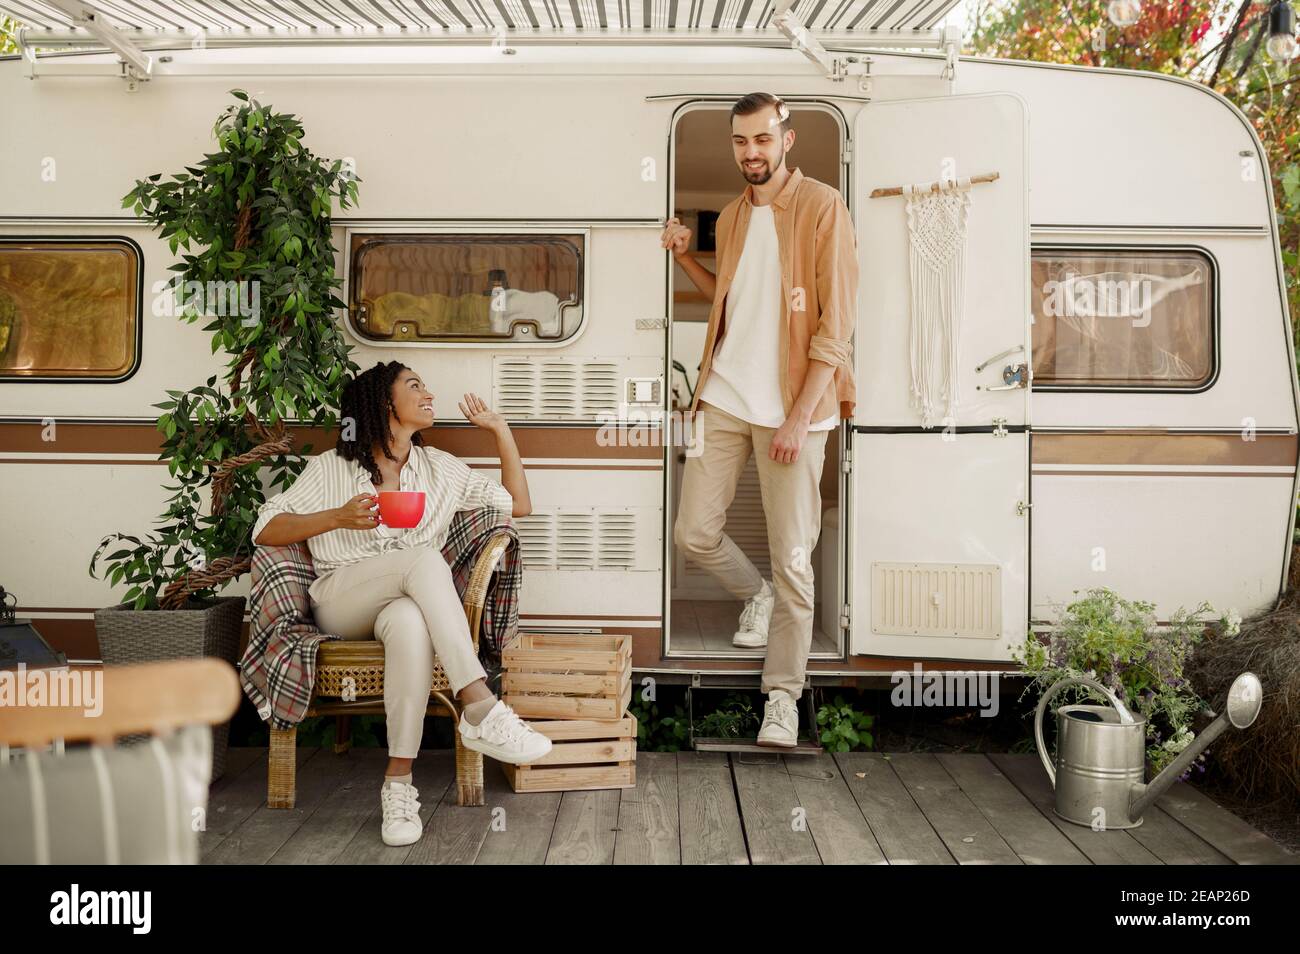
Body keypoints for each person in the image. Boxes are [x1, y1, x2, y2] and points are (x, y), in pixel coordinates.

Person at [252, 359, 550, 846]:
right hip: (341, 598)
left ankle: (398, 785)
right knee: (423, 560)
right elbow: (265, 529)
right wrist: (337, 518)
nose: (429, 393)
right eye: (416, 386)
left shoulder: (440, 470)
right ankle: (478, 703)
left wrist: (501, 430)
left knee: (412, 622)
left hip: (401, 600)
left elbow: (519, 505)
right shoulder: (332, 468)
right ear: (384, 404)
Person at [664, 92, 858, 749]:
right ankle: (757, 593)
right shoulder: (731, 215)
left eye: (764, 140)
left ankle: (782, 698)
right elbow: (727, 297)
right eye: (742, 142)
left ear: (787, 139)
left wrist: (800, 417)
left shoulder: (824, 206)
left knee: (794, 562)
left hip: (794, 407)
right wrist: (684, 257)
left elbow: (837, 326)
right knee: (693, 531)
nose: (753, 152)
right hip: (726, 395)